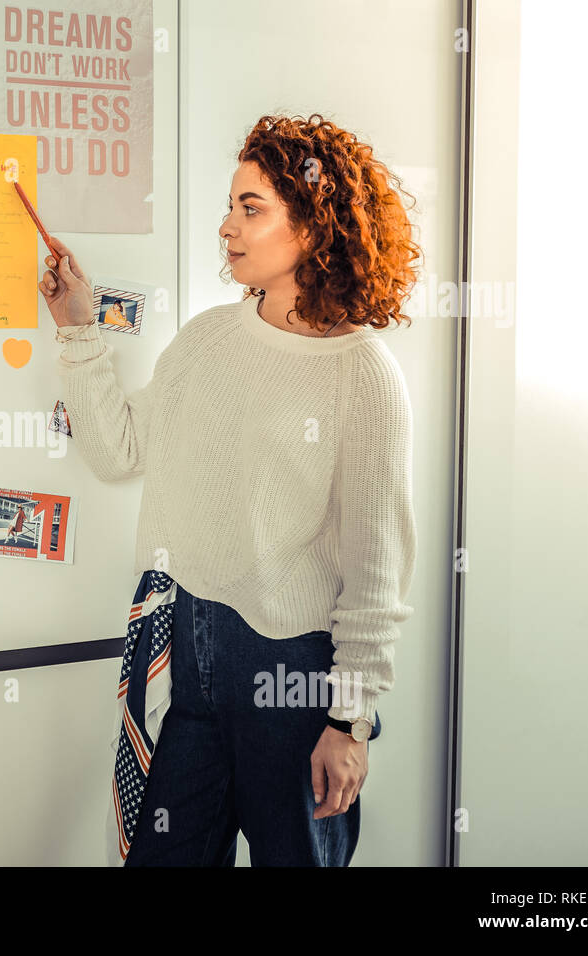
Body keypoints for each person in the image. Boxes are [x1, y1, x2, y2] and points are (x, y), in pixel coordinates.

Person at [40, 113, 419, 866]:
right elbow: (119, 452)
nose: (227, 226)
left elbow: (377, 571)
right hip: (187, 648)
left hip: (294, 676)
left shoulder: (364, 375)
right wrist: (77, 332)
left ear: (315, 225)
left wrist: (351, 722)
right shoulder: (208, 338)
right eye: (232, 206)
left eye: (252, 208)